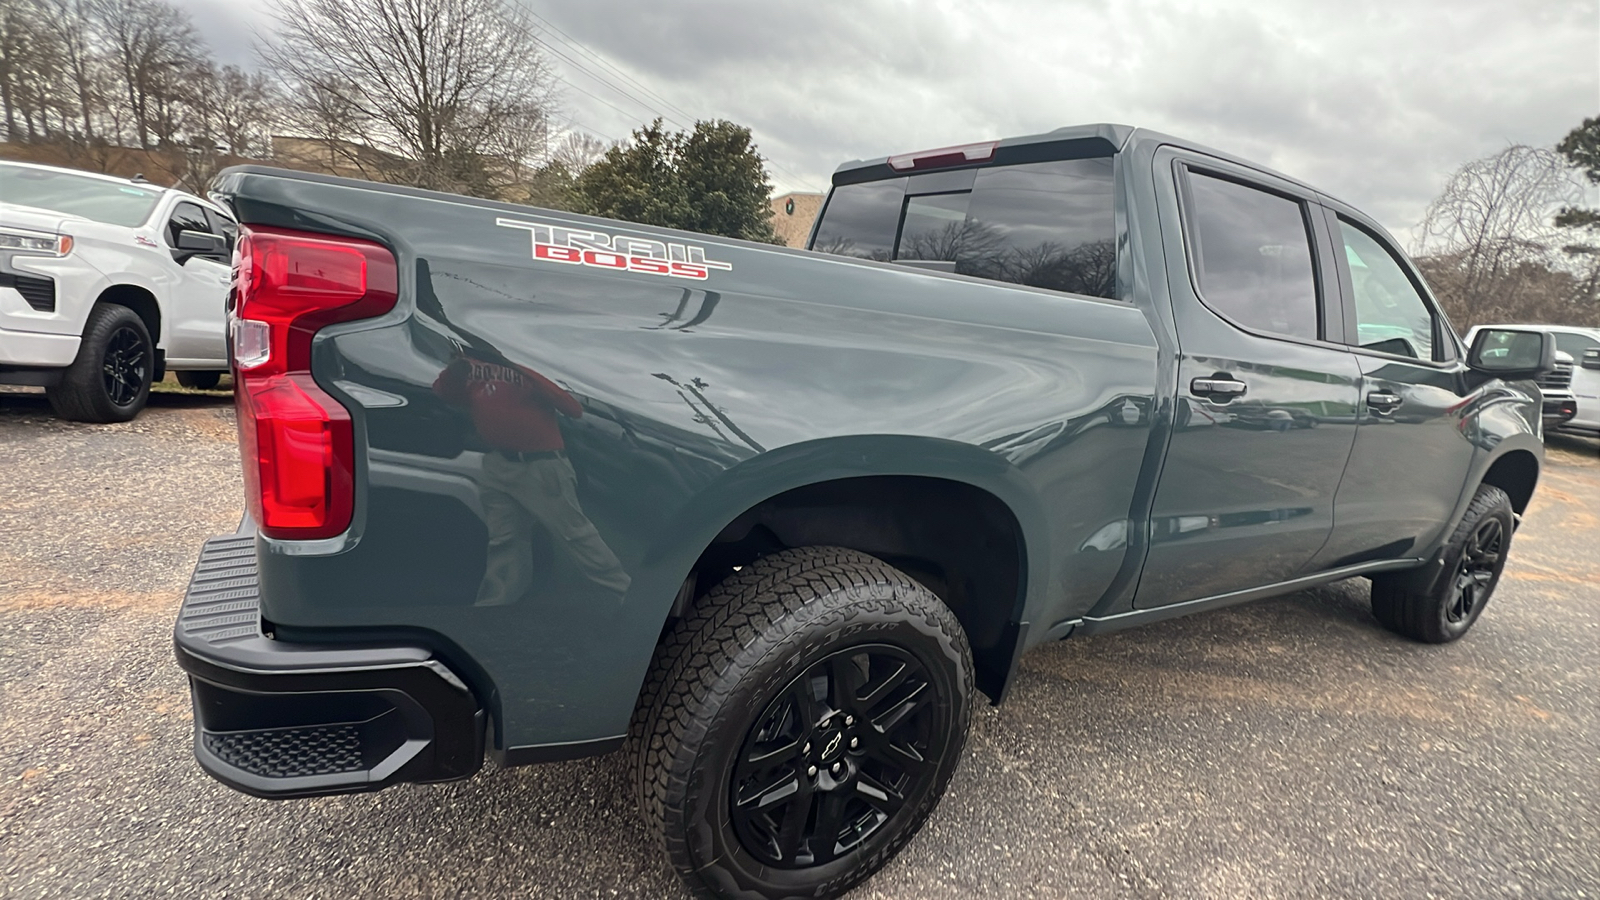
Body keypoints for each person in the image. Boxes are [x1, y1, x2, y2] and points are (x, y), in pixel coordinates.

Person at [433, 352, 630, 606]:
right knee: (504, 539)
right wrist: (455, 371)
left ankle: (623, 592)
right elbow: (444, 393)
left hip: (541, 465)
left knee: (575, 534)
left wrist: (516, 365)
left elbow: (572, 408)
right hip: (498, 464)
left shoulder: (528, 365)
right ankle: (496, 605)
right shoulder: (471, 370)